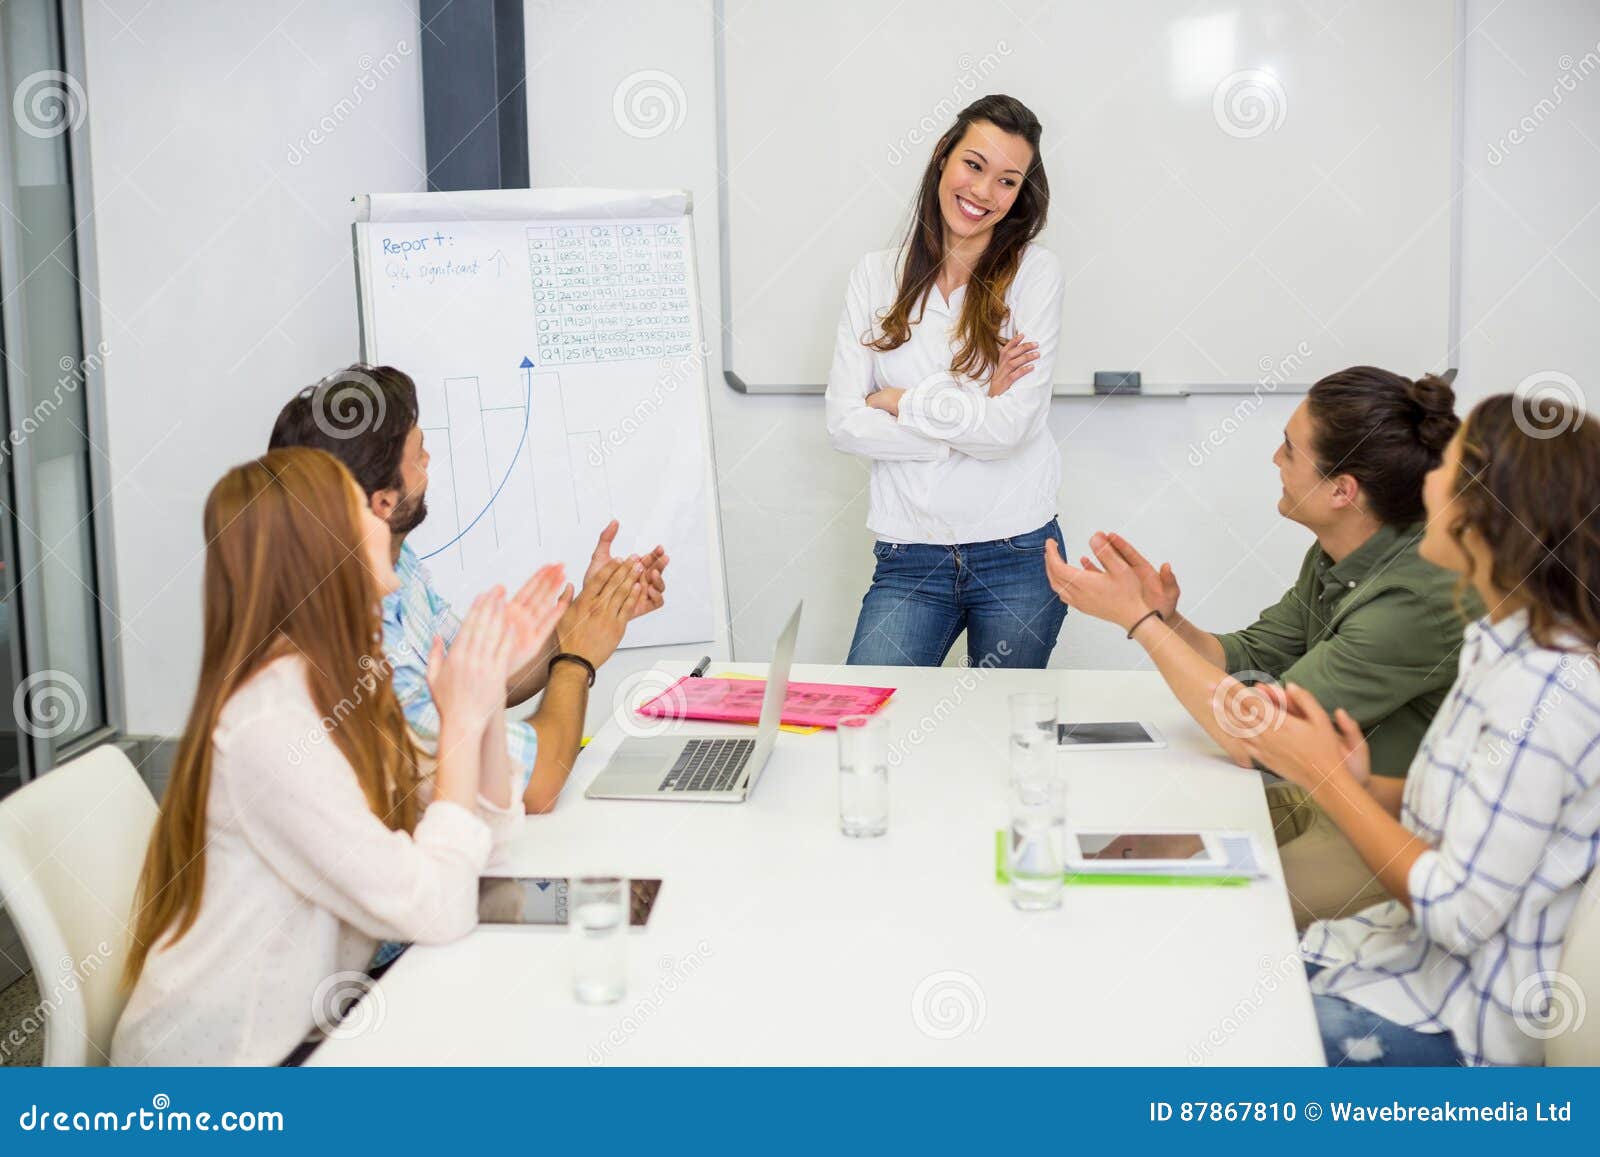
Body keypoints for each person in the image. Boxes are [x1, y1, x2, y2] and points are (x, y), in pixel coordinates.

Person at [113, 449, 566, 1065]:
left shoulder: (341, 681)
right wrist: (459, 722)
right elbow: (436, 907)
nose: (383, 520)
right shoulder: (270, 727)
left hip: (312, 1033)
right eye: (360, 509)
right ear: (319, 550)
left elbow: (482, 842)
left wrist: (482, 701)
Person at [1244, 392, 1600, 1066]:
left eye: (1450, 467)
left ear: (1487, 516)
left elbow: (1459, 912)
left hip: (1463, 1027)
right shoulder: (1503, 644)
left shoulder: (1546, 689)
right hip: (1404, 965)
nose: (1428, 476)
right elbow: (1477, 822)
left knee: (1203, 1039)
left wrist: (1324, 777)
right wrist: (1364, 784)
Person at [1044, 367, 1469, 926]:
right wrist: (1168, 619)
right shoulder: (1338, 552)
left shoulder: (1413, 597)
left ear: (1343, 490)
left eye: (1290, 450)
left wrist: (1139, 621)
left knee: (1190, 910)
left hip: (1392, 834)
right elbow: (1252, 658)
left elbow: (1254, 733)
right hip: (1323, 793)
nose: (1275, 459)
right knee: (1121, 843)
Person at [269, 365, 668, 814]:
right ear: (383, 503)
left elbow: (480, 677)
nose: (429, 463)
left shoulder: (398, 567)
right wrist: (576, 660)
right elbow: (537, 787)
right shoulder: (362, 653)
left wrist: (587, 617)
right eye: (419, 456)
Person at [825, 94, 1066, 669]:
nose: (984, 193)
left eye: (1008, 182)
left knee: (1002, 736)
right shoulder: (875, 275)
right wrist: (977, 410)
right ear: (941, 157)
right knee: (868, 721)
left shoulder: (1035, 275)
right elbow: (844, 424)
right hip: (909, 554)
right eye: (974, 165)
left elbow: (1011, 433)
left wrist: (899, 401)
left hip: (1018, 551)